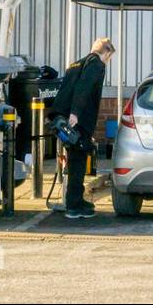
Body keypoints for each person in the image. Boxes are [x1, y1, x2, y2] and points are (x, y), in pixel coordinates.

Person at [50, 36, 114, 219]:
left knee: (74, 159)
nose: (109, 61)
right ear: (107, 52)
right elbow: (83, 88)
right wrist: (76, 113)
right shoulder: (96, 65)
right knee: (78, 160)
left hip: (62, 117)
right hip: (78, 120)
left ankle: (76, 200)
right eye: (110, 57)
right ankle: (74, 205)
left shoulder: (76, 64)